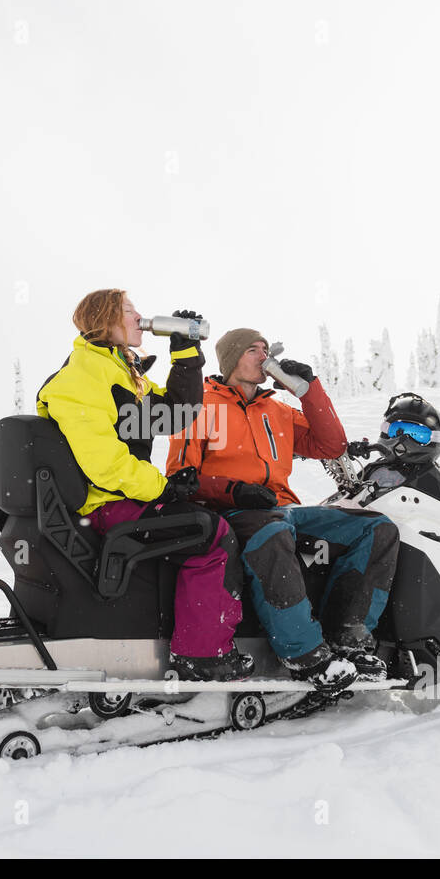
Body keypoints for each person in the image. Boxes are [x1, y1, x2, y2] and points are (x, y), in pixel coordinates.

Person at [166, 328, 399, 693]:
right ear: (231, 359)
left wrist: (309, 391)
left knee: (376, 527)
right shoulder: (202, 405)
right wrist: (235, 491)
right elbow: (181, 477)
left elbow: (331, 444)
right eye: (252, 350)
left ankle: (348, 638)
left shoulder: (275, 409)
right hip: (233, 513)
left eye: (264, 349)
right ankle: (305, 655)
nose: (262, 356)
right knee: (271, 531)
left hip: (281, 508)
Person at [36, 289, 253, 681]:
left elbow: (176, 414)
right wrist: (164, 489)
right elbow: (104, 465)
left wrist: (186, 354)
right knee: (210, 532)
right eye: (129, 311)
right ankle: (201, 656)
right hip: (101, 506)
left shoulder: (122, 373)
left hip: (121, 497)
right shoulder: (80, 378)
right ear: (106, 321)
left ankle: (186, 635)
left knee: (202, 521)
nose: (140, 318)